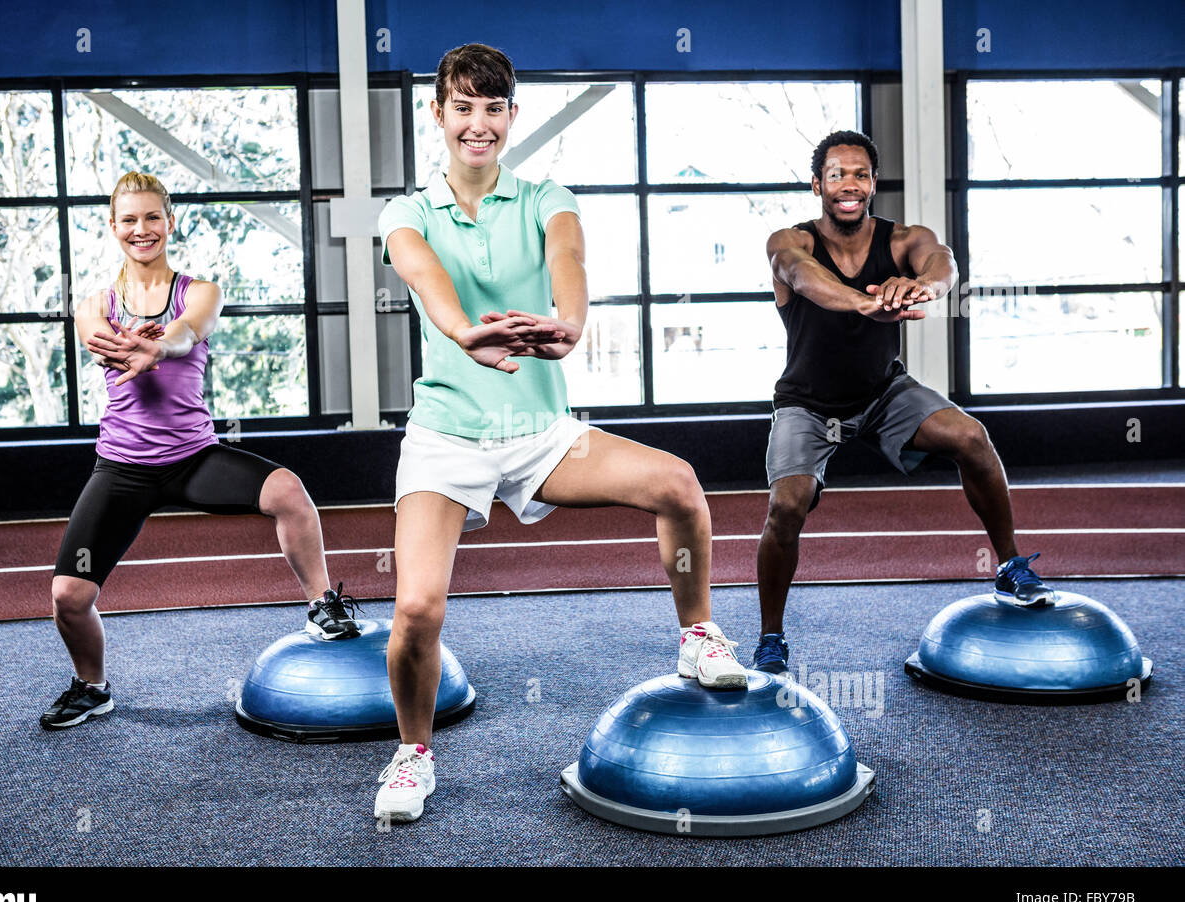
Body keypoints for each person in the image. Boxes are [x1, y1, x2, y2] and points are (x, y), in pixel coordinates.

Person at [374, 43, 744, 823]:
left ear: (512, 115)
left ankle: (698, 633)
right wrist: (464, 330)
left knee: (677, 485)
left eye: (494, 108)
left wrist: (568, 326)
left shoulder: (546, 195)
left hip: (541, 432)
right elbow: (425, 277)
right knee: (416, 611)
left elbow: (569, 260)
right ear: (437, 113)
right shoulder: (405, 211)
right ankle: (414, 753)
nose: (480, 124)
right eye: (464, 108)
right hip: (446, 437)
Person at [41, 171, 359, 730]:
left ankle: (321, 604)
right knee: (69, 594)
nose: (142, 230)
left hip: (194, 461)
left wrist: (157, 345)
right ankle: (92, 686)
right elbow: (97, 336)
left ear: (170, 220)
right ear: (113, 228)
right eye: (129, 220)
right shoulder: (95, 303)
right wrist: (122, 345)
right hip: (123, 468)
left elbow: (192, 329)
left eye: (152, 217)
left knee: (289, 490)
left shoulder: (201, 291)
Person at [754, 130, 1055, 675]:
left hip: (883, 392)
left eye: (861, 174)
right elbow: (805, 278)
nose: (850, 184)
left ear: (873, 183)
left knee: (970, 436)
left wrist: (922, 290)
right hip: (807, 404)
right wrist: (868, 303)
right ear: (818, 183)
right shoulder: (788, 242)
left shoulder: (901, 240)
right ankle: (771, 636)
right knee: (786, 507)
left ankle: (1010, 564)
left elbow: (943, 262)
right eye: (838, 174)